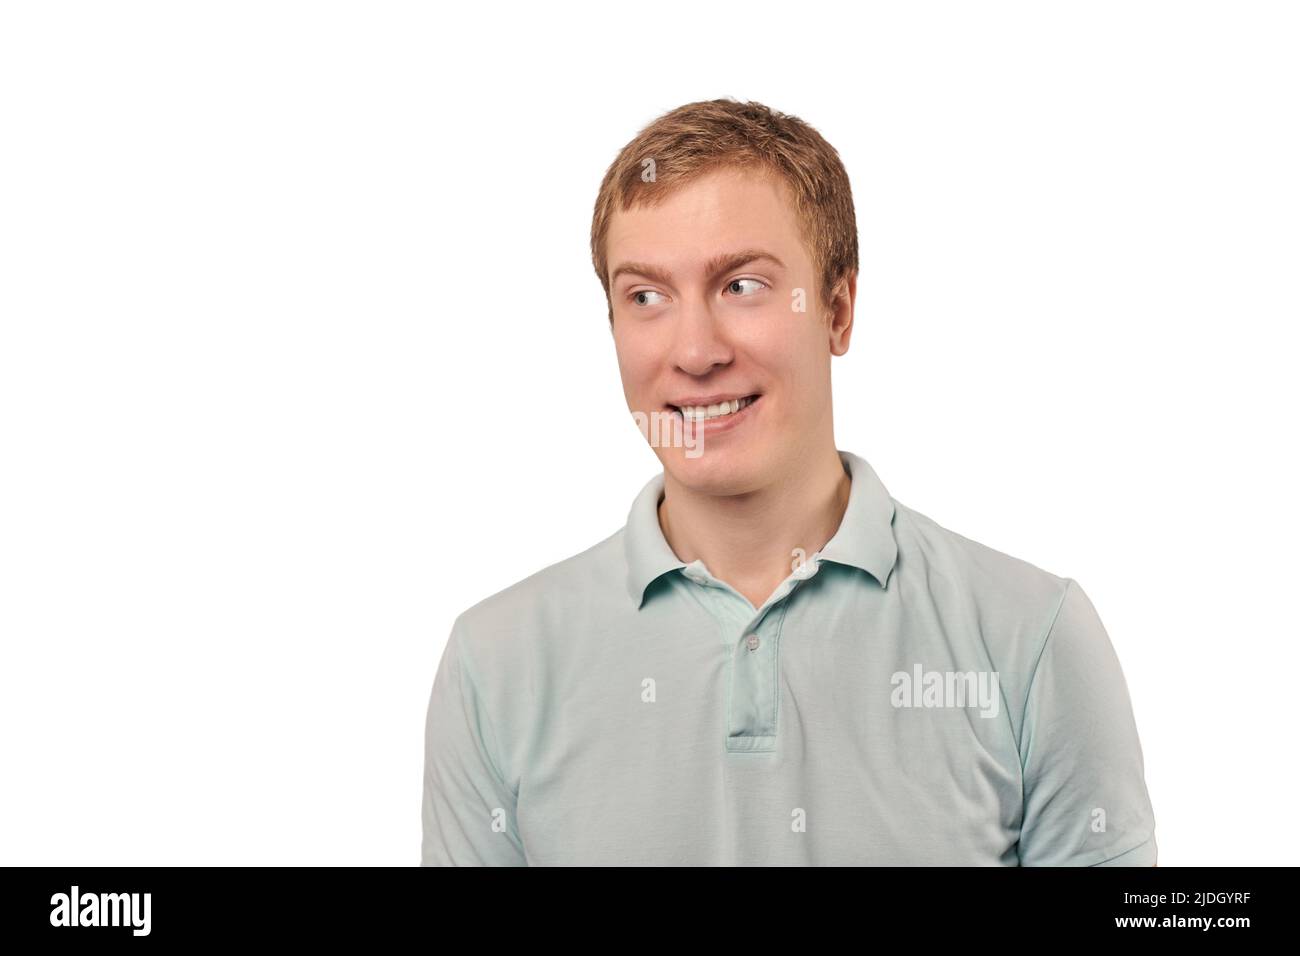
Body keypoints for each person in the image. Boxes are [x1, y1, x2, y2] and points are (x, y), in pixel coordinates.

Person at [421, 98, 1157, 866]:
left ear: (837, 310)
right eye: (646, 296)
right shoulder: (495, 664)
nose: (695, 352)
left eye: (741, 286)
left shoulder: (1032, 640)